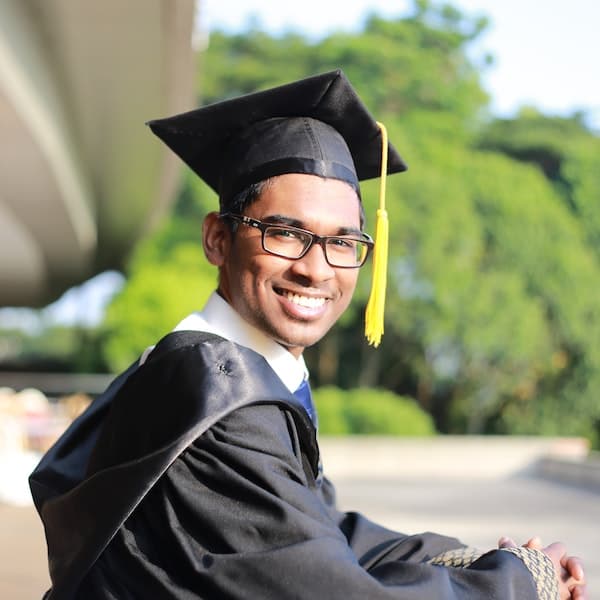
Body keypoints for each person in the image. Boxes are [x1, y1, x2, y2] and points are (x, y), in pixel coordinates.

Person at [30, 70, 587, 599]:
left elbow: (322, 528)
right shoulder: (217, 405)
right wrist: (517, 584)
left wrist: (475, 560)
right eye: (284, 233)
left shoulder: (231, 372)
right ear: (217, 240)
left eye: (343, 243)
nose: (316, 269)